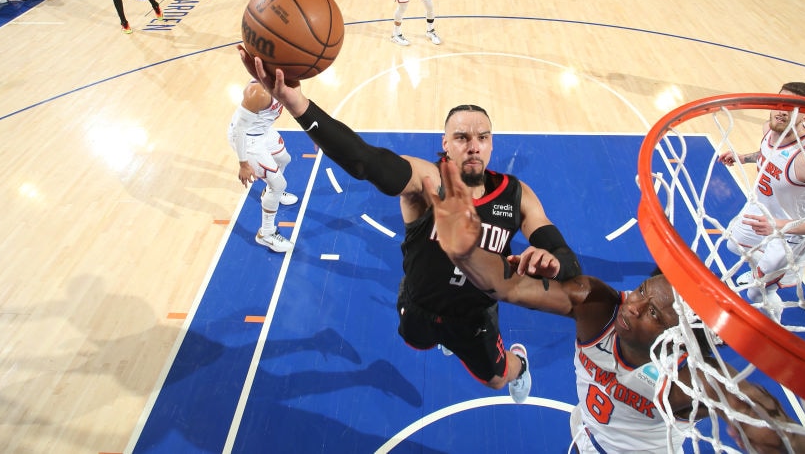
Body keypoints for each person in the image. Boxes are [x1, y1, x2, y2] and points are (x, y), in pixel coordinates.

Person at [423, 158, 805, 454]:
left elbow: (759, 417)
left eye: (653, 313)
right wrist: (463, 252)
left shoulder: (691, 376)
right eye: (639, 292)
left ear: (677, 336)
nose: (633, 306)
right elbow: (508, 287)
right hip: (585, 439)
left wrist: (785, 440)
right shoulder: (600, 306)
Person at [240, 49, 583, 403]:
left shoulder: (517, 195)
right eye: (462, 138)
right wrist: (297, 104)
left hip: (473, 317)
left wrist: (554, 262)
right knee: (418, 340)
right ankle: (444, 340)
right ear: (445, 144)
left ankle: (520, 365)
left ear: (491, 143)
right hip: (419, 303)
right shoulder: (427, 182)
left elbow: (567, 262)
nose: (474, 146)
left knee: (497, 380)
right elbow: (364, 161)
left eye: (483, 137)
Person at [719, 82, 805, 312]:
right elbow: (768, 155)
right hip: (763, 212)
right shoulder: (770, 129)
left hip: (792, 232)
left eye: (793, 108)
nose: (782, 110)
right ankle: (761, 271)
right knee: (734, 245)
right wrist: (744, 157)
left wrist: (782, 225)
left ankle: (773, 318)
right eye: (781, 103)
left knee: (758, 292)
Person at [227, 80, 300, 253]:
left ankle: (269, 192)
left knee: (284, 159)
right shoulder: (259, 93)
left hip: (263, 132)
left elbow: (297, 106)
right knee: (279, 184)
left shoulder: (288, 79)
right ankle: (266, 234)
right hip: (248, 140)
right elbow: (239, 131)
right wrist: (243, 164)